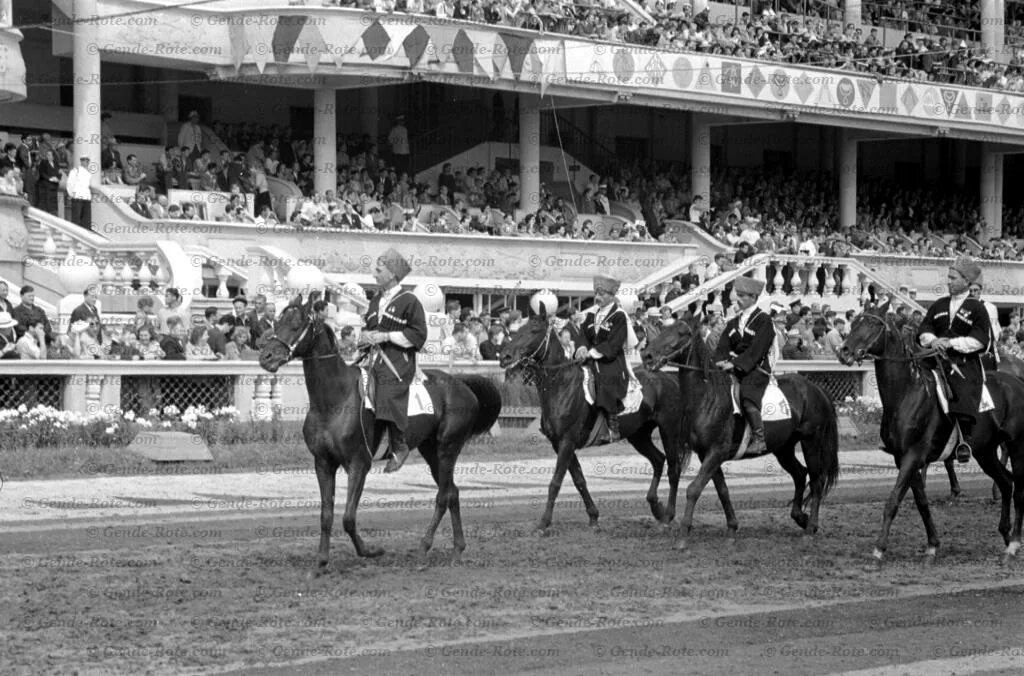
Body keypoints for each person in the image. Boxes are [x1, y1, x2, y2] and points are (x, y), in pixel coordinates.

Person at [359, 248, 428, 473]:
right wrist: (365, 336)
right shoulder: (375, 300)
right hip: (374, 358)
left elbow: (419, 334)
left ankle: (400, 445)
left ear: (392, 274)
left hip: (399, 360)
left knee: (387, 390)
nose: (374, 274)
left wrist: (387, 336)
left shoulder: (410, 301)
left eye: (379, 270)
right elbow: (368, 327)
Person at [918, 258, 992, 464]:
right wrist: (933, 341)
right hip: (934, 358)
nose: (948, 281)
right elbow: (924, 329)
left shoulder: (977, 308)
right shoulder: (939, 305)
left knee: (961, 388)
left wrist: (950, 343)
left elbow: (980, 340)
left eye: (953, 278)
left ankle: (963, 440)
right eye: (948, 277)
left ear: (967, 281)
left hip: (962, 363)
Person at [714, 276, 776, 457]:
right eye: (737, 294)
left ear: (753, 297)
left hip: (756, 368)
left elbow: (757, 350)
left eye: (742, 296)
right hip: (732, 367)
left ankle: (759, 439)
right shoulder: (733, 322)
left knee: (747, 396)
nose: (737, 299)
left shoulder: (764, 320)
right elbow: (723, 347)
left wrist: (734, 364)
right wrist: (720, 361)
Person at [574, 274, 629, 442]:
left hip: (610, 360)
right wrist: (582, 347)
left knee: (605, 380)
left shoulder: (619, 316)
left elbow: (614, 343)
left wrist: (591, 353)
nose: (597, 297)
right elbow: (583, 335)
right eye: (596, 293)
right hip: (590, 358)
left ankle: (613, 428)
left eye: (601, 294)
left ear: (611, 296)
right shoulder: (591, 315)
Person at [968, 276, 1001, 372]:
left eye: (975, 290)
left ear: (980, 291)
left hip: (986, 350)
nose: (973, 293)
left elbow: (995, 331)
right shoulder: (962, 307)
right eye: (970, 290)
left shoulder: (990, 307)